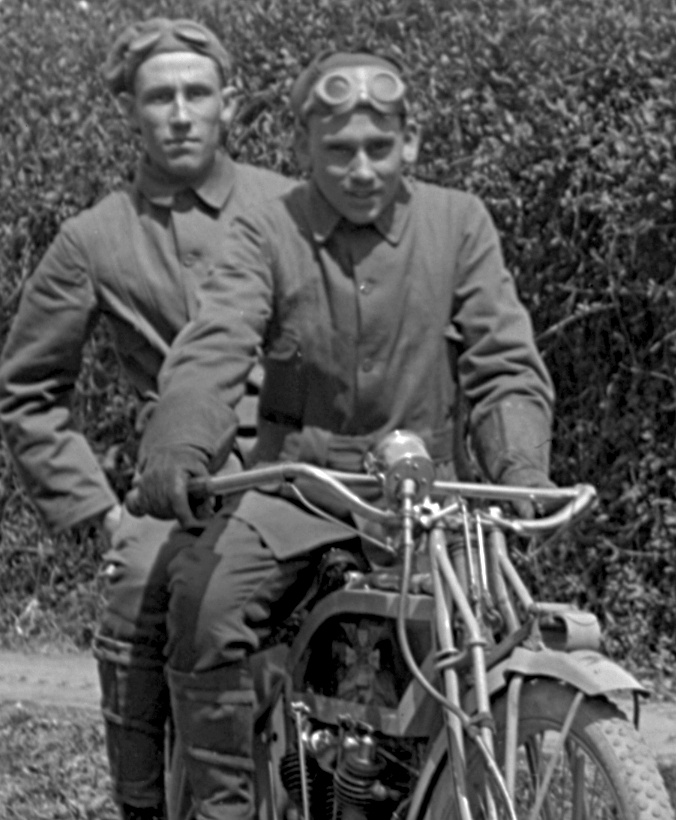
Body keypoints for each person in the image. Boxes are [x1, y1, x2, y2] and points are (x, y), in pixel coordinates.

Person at [133, 50, 555, 819]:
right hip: (300, 487)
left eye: (379, 148)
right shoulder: (268, 229)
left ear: (413, 142)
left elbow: (504, 363)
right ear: (304, 149)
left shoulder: (459, 225)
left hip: (427, 500)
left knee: (492, 630)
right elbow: (216, 343)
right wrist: (179, 444)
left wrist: (522, 469)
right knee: (205, 603)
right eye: (338, 151)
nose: (361, 169)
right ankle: (225, 808)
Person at [0, 17, 294, 820]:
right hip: (178, 488)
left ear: (229, 105)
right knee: (139, 587)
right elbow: (28, 390)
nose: (179, 112)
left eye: (197, 93)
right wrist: (99, 515)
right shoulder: (94, 238)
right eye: (159, 96)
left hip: (301, 465)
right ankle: (144, 806)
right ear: (131, 112)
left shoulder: (295, 207)